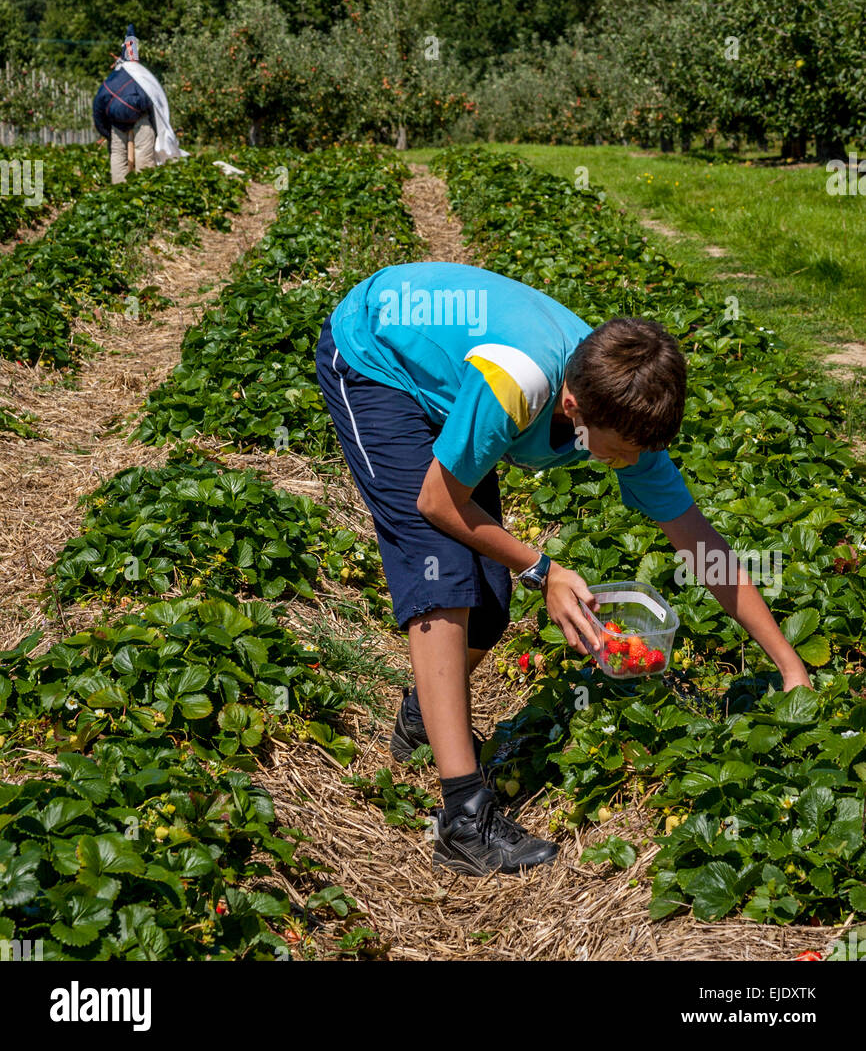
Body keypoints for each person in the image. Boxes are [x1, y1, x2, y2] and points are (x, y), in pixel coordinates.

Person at [314, 260, 812, 878]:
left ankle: (423, 712)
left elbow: (699, 543)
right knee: (441, 570)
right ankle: (463, 820)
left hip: (451, 367)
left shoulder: (623, 405)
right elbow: (437, 503)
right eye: (620, 452)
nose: (627, 463)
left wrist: (789, 666)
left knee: (489, 600)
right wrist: (543, 569)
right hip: (377, 351)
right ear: (574, 406)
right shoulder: (516, 385)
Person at [92, 25, 181, 182]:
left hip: (116, 120)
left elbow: (98, 107)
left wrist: (107, 133)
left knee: (118, 154)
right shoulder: (142, 75)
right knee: (143, 153)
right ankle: (143, 186)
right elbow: (155, 102)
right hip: (140, 118)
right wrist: (158, 130)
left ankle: (119, 188)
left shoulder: (113, 78)